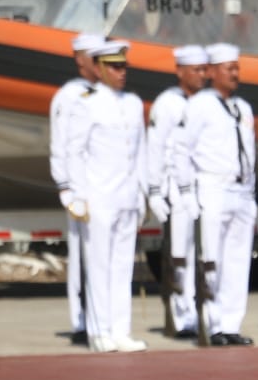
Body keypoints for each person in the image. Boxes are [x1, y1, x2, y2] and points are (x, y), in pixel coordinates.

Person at [64, 40, 148, 353]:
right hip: (99, 196)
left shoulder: (133, 103)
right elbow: (75, 151)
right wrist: (78, 196)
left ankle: (120, 330)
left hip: (126, 196)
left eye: (124, 66)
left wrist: (142, 192)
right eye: (114, 66)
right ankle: (99, 331)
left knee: (123, 265)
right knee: (98, 265)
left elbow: (140, 151)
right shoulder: (86, 103)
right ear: (99, 68)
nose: (121, 72)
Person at [173, 42, 257, 345]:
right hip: (212, 187)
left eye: (237, 68)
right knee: (211, 260)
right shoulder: (199, 105)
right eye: (229, 69)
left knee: (237, 261)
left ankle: (231, 323)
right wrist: (186, 192)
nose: (235, 74)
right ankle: (209, 323)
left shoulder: (241, 107)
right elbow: (181, 149)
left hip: (241, 191)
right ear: (212, 72)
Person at [146, 44, 210, 339]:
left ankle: (200, 314)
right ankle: (178, 314)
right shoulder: (168, 103)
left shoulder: (209, 102)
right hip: (176, 189)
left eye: (203, 70)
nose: (202, 75)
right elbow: (156, 149)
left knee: (203, 255)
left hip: (204, 187)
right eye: (195, 70)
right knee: (179, 255)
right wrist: (155, 191)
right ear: (180, 72)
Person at [49, 31, 103, 346]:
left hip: (106, 189)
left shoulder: (108, 96)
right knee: (83, 257)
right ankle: (81, 322)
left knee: (103, 258)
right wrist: (66, 188)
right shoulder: (69, 96)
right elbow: (60, 145)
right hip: (81, 191)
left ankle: (103, 318)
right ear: (80, 60)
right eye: (94, 58)